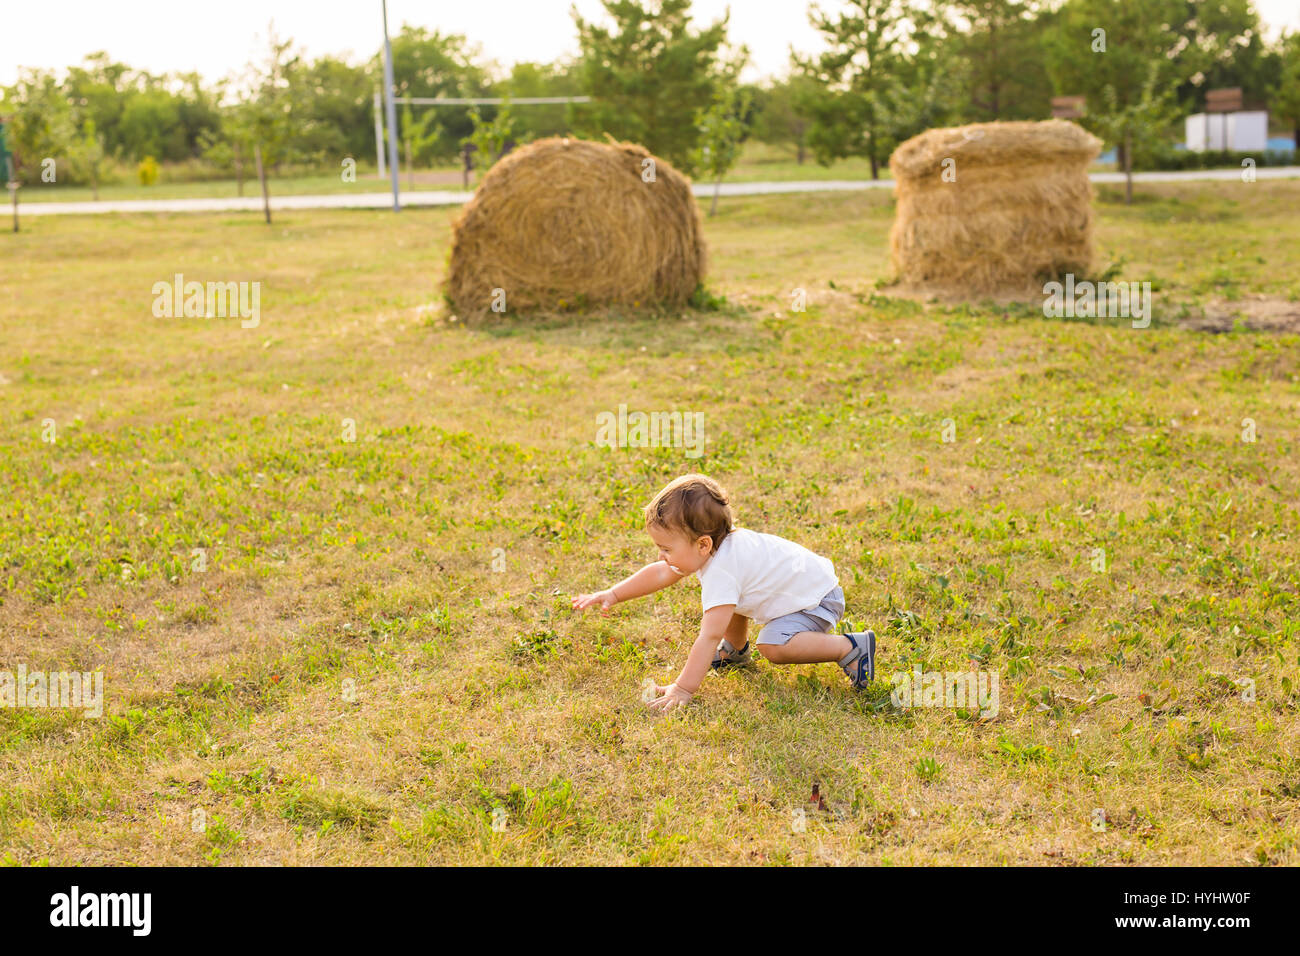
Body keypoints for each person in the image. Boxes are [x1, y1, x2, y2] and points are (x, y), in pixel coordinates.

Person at [571, 473, 876, 714]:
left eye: (666, 548)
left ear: (702, 544)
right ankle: (736, 650)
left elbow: (707, 636)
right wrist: (613, 593)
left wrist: (683, 688)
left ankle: (848, 648)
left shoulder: (723, 571)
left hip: (815, 602)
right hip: (807, 589)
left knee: (772, 645)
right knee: (733, 603)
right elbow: (662, 572)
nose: (661, 556)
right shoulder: (716, 548)